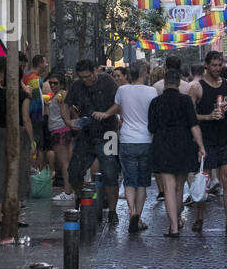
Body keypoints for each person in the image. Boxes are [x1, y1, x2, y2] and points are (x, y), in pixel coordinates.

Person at [149, 67, 206, 237]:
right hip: (183, 143)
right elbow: (193, 125)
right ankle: (179, 218)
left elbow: (151, 127)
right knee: (179, 187)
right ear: (179, 83)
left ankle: (173, 226)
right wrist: (201, 146)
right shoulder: (186, 101)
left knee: (168, 187)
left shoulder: (156, 102)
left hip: (163, 144)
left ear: (165, 83)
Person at [66, 58, 121, 224]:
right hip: (86, 134)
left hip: (108, 133)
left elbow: (119, 103)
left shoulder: (108, 81)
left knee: (110, 173)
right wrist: (69, 122)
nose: (86, 81)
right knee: (74, 171)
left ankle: (112, 211)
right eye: (82, 78)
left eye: (88, 77)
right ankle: (83, 197)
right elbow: (65, 104)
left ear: (95, 71)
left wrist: (107, 113)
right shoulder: (76, 86)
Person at [189, 51, 227, 234]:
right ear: (206, 66)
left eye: (220, 65)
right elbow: (190, 115)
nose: (218, 69)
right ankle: (200, 218)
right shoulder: (197, 87)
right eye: (214, 65)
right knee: (204, 179)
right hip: (207, 139)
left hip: (225, 138)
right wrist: (208, 116)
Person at [0, 56, 33, 229]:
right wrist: (32, 141)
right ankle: (16, 215)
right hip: (19, 133)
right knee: (20, 171)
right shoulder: (23, 95)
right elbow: (26, 119)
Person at [115, 61, 156, 234]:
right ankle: (137, 217)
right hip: (146, 139)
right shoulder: (152, 91)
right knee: (142, 183)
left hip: (127, 139)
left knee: (129, 180)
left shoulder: (122, 90)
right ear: (144, 73)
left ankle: (131, 212)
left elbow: (119, 109)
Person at [45, 71, 74, 203]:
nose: (52, 85)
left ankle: (68, 191)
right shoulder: (59, 95)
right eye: (50, 82)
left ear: (61, 84)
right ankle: (70, 189)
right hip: (62, 130)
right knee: (66, 161)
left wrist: (66, 120)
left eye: (55, 83)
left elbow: (64, 110)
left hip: (60, 131)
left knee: (64, 162)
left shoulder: (61, 95)